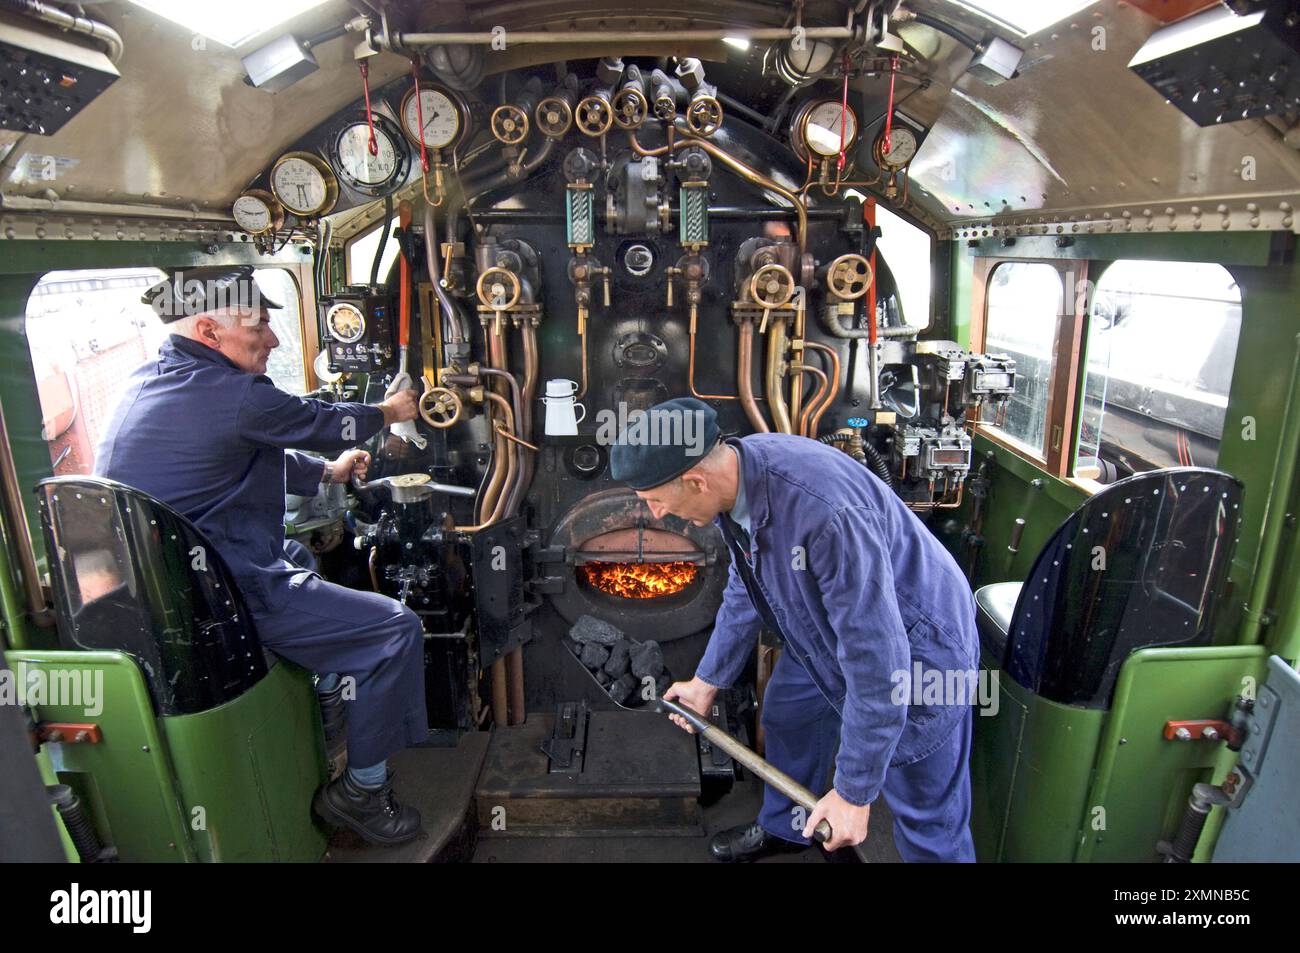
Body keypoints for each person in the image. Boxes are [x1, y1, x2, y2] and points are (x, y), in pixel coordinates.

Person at [95, 266, 426, 846]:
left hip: (167, 590)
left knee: (297, 548)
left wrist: (327, 471)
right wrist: (392, 412)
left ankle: (329, 701)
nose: (272, 339)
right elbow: (320, 422)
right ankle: (362, 792)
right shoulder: (235, 394)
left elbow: (246, 446)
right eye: (260, 325)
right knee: (395, 630)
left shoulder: (151, 383)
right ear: (207, 329)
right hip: (222, 592)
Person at [610, 397, 979, 862]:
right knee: (789, 713)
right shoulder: (739, 476)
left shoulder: (825, 516)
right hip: (832, 629)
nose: (658, 516)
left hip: (920, 646)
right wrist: (708, 680)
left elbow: (877, 663)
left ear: (696, 480)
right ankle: (790, 827)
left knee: (925, 812)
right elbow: (747, 586)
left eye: (656, 502)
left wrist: (854, 794)